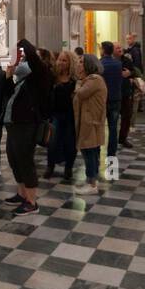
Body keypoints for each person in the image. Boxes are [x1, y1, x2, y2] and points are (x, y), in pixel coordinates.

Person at [4, 39, 52, 215]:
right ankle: (21, 193)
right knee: (13, 158)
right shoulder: (23, 80)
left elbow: (33, 58)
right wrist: (8, 77)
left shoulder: (41, 75)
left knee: (24, 159)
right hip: (14, 123)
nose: (24, 60)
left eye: (27, 58)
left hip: (27, 123)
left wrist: (21, 43)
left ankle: (32, 201)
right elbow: (8, 95)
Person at [74, 52, 108, 195]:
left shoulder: (94, 79)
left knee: (90, 152)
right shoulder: (89, 79)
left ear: (88, 64)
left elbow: (81, 93)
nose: (78, 64)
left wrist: (77, 83)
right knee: (89, 151)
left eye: (81, 62)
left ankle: (92, 183)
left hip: (91, 122)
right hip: (88, 121)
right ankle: (91, 180)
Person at [45, 51, 78, 183]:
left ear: (70, 62)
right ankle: (50, 166)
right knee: (52, 142)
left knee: (70, 143)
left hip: (70, 115)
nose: (61, 62)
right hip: (56, 114)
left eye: (64, 60)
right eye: (60, 59)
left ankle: (68, 168)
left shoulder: (74, 80)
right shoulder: (53, 77)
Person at [100, 41, 123, 159]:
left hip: (102, 100)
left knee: (99, 127)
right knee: (113, 128)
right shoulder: (118, 64)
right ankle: (111, 153)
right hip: (116, 98)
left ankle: (97, 151)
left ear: (103, 50)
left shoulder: (100, 64)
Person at [116, 43, 139, 149]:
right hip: (113, 94)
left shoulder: (126, 60)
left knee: (127, 116)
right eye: (117, 48)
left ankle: (123, 138)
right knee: (113, 118)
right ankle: (111, 139)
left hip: (125, 92)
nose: (120, 49)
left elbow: (135, 72)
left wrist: (130, 73)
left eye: (120, 47)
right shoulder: (108, 60)